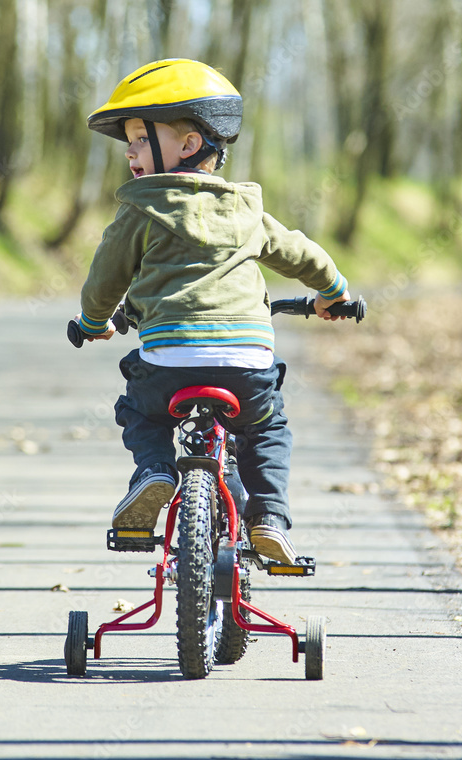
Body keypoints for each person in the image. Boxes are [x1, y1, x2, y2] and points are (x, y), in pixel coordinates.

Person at [75, 58, 349, 564]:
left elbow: (104, 279)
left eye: (139, 137)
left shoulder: (140, 208)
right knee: (266, 429)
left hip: (168, 362)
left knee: (139, 410)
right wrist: (333, 292)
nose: (130, 151)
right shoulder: (245, 211)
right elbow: (301, 254)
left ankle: (155, 471)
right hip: (246, 361)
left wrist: (94, 321)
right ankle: (268, 516)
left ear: (189, 143)